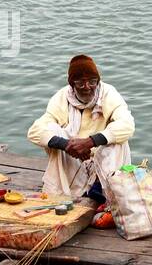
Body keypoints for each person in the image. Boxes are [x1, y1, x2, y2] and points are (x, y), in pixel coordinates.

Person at [28, 54, 135, 201]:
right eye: (80, 83)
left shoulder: (108, 93)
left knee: (119, 137)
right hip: (74, 159)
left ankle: (101, 188)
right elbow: (34, 131)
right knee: (51, 129)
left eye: (92, 82)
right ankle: (77, 190)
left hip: (102, 160)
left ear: (98, 81)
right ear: (72, 84)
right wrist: (67, 145)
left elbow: (128, 124)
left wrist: (90, 142)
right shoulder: (61, 97)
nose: (87, 87)